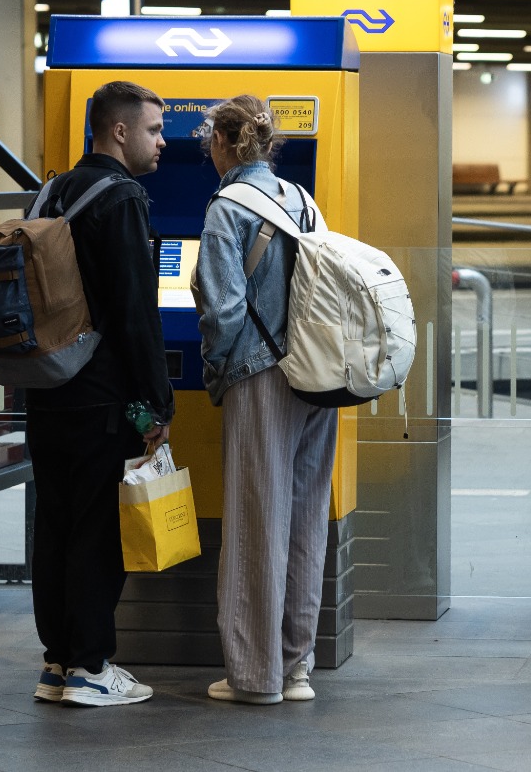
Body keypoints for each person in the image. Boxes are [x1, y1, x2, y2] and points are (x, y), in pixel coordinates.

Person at [25, 80, 174, 707]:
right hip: (99, 395)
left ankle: (58, 661)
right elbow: (135, 311)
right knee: (95, 530)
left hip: (46, 384)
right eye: (154, 130)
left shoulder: (55, 188)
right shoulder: (122, 199)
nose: (163, 142)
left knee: (55, 524)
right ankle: (90, 666)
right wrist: (158, 403)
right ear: (119, 131)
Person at [190, 94, 335, 705]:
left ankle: (254, 677)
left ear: (220, 143)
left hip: (260, 376)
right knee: (305, 518)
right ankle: (295, 668)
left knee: (256, 524)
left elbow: (223, 313)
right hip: (318, 376)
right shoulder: (302, 200)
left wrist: (214, 371)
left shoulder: (226, 209)